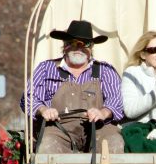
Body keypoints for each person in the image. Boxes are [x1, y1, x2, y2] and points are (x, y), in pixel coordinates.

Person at [22, 20, 124, 153]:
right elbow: (28, 97)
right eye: (74, 43)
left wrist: (103, 112)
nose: (79, 48)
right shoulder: (46, 68)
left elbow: (117, 99)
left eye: (85, 44)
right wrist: (43, 110)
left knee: (113, 143)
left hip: (98, 128)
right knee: (48, 146)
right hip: (58, 128)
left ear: (91, 47)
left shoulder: (105, 70)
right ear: (65, 45)